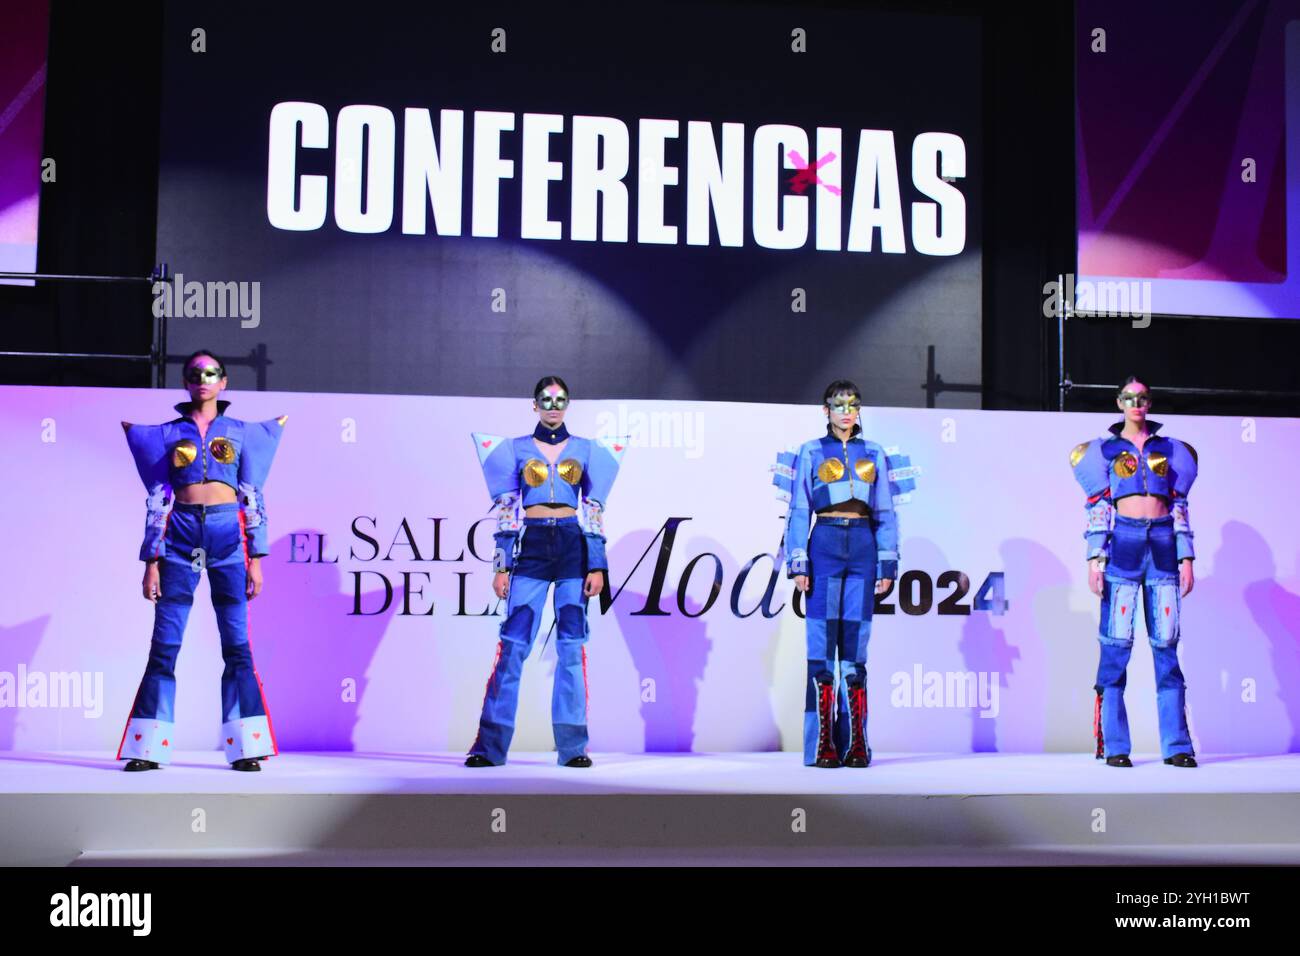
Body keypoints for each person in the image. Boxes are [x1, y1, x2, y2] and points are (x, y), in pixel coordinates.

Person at [116, 350, 285, 771]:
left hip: (230, 538)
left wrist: (257, 556)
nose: (203, 379)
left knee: (237, 646)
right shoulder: (168, 433)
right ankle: (147, 749)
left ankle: (246, 748)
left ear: (224, 382)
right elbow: (158, 498)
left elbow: (252, 495)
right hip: (180, 536)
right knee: (165, 645)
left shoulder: (242, 432)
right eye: (195, 374)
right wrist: (150, 560)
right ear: (186, 382)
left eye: (212, 373)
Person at [465, 376, 626, 767]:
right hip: (533, 547)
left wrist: (598, 564)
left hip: (572, 547)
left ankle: (573, 749)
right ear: (533, 405)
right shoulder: (516, 449)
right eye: (546, 400)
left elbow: (594, 511)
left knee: (571, 645)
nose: (553, 406)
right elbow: (506, 509)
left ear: (568, 404)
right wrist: (502, 564)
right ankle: (490, 747)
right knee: (514, 643)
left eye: (560, 400)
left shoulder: (587, 450)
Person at [776, 380, 910, 768]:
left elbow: (885, 511)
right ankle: (821, 745)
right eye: (839, 405)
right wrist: (798, 561)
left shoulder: (875, 452)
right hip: (826, 544)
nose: (846, 411)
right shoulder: (811, 451)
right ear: (826, 411)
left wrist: (888, 562)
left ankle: (855, 744)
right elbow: (799, 510)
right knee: (820, 648)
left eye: (853, 405)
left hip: (864, 547)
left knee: (855, 648)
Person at [1070, 376, 1198, 768]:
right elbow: (1099, 507)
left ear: (1150, 402)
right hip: (1123, 546)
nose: (1136, 404)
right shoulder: (1103, 451)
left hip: (1161, 546)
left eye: (1142, 398)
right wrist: (1095, 557)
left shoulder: (1172, 450)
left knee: (1166, 647)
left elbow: (1178, 506)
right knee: (1116, 647)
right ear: (1119, 403)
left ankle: (1176, 747)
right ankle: (1115, 746)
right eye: (1129, 398)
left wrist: (1186, 555)